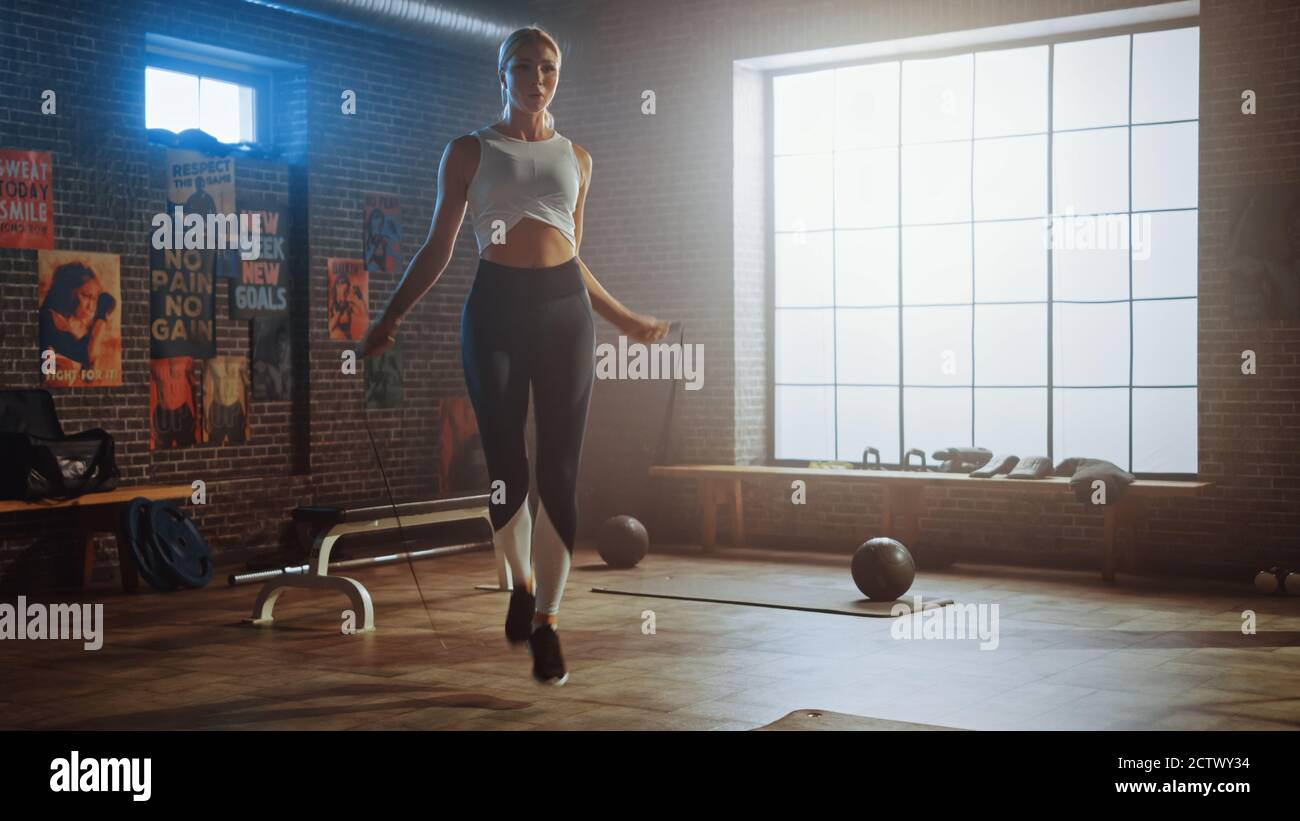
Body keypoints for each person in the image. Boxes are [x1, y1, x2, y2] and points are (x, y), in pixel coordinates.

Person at [362, 25, 670, 686]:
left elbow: (574, 257)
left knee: (559, 471)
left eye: (549, 68)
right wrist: (390, 315)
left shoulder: (578, 159)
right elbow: (439, 247)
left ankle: (548, 623)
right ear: (502, 74)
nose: (537, 79)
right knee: (507, 461)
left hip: (565, 313)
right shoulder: (470, 151)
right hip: (495, 309)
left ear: (558, 75)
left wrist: (622, 319)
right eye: (524, 67)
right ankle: (521, 585)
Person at [39, 261, 116, 384]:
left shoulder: (71, 328)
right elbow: (48, 378)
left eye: (94, 299)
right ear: (67, 292)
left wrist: (100, 321)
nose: (91, 306)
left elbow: (89, 375)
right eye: (86, 296)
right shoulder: (48, 322)